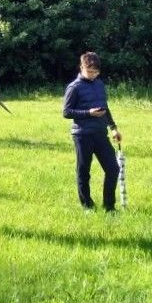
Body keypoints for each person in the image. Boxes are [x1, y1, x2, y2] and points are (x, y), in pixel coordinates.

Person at [62, 51, 122, 211]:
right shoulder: (74, 88)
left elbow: (105, 107)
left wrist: (114, 128)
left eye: (96, 72)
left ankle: (109, 207)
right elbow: (66, 112)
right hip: (82, 135)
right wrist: (89, 113)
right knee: (84, 172)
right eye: (89, 71)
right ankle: (87, 206)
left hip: (100, 133)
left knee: (113, 169)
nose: (93, 75)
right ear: (81, 67)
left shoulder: (99, 84)